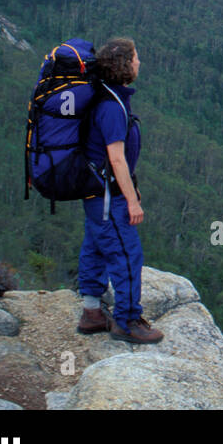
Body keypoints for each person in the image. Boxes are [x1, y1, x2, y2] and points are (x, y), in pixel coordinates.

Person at [75, 37, 163, 344]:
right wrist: (131, 200)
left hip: (96, 195)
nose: (139, 62)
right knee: (126, 254)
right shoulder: (112, 107)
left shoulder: (105, 96)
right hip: (108, 198)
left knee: (96, 247)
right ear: (125, 65)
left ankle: (91, 313)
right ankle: (126, 321)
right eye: (136, 57)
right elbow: (116, 158)